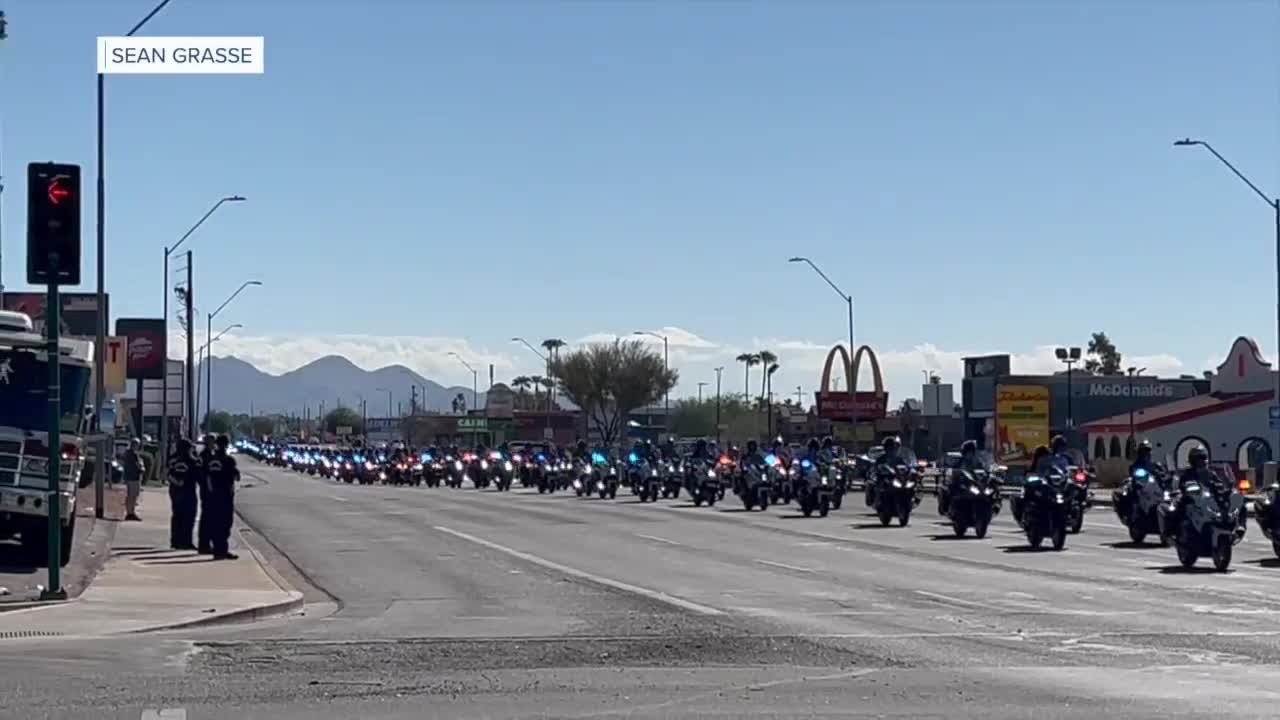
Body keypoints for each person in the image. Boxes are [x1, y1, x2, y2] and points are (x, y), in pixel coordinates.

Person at [205, 434, 241, 560]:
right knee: (225, 524)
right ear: (226, 445)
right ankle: (222, 550)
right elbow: (236, 477)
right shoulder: (229, 460)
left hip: (214, 495)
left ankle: (218, 550)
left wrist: (211, 491)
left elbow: (208, 477)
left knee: (215, 523)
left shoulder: (211, 460)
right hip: (226, 496)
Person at [167, 437, 201, 550]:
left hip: (175, 491)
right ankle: (186, 541)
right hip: (188, 491)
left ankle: (175, 541)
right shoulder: (191, 460)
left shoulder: (172, 459)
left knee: (177, 515)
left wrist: (176, 482)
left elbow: (167, 474)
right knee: (189, 516)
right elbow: (197, 473)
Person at [197, 435, 216, 554]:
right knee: (207, 518)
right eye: (212, 441)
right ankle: (204, 545)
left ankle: (205, 543)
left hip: (206, 489)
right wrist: (210, 488)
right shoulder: (206, 455)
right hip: (207, 490)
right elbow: (206, 474)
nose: (213, 444)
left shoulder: (206, 454)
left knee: (207, 517)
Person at [122, 438, 145, 522]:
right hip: (133, 477)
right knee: (133, 495)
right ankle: (130, 513)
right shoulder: (132, 455)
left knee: (132, 495)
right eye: (137, 445)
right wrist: (141, 469)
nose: (137, 447)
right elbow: (136, 466)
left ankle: (130, 512)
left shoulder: (129, 454)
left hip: (130, 477)